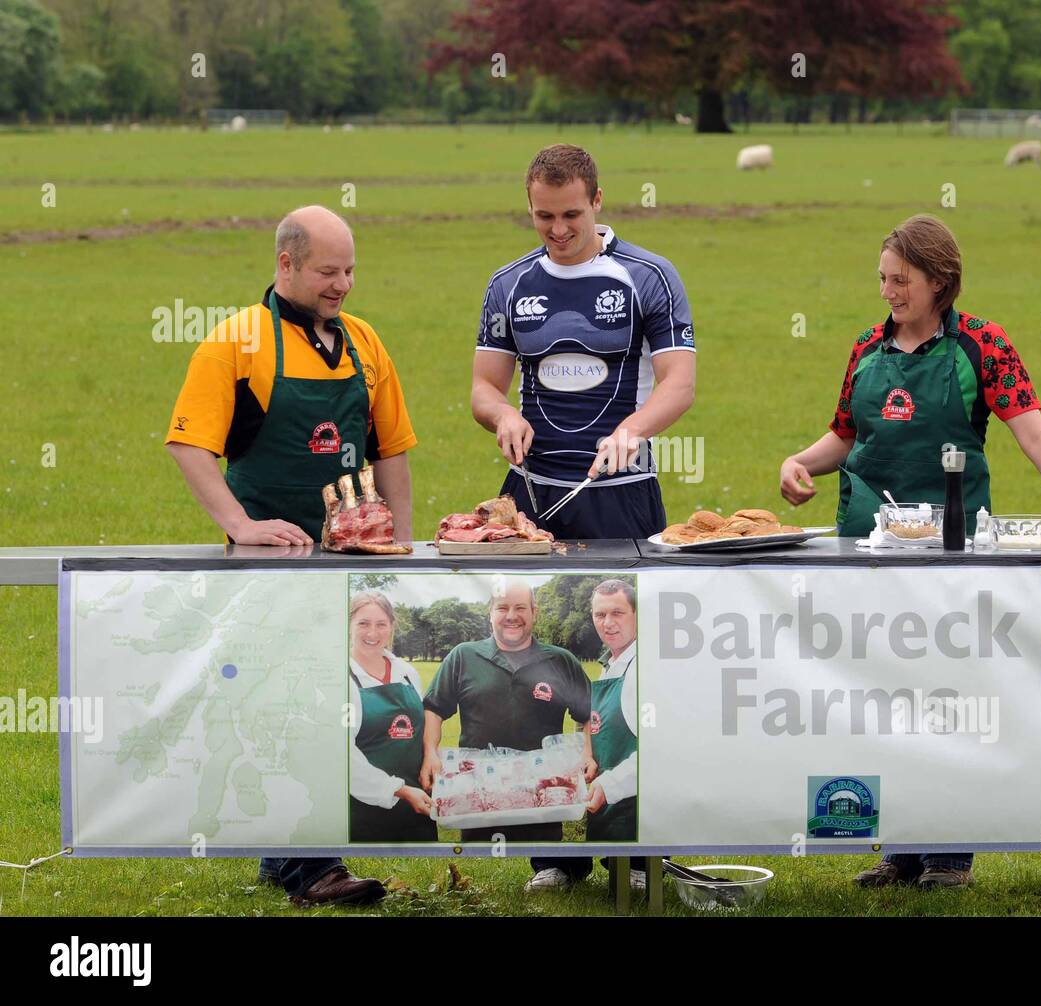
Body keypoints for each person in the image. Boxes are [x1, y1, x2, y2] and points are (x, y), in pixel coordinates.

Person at [778, 214, 1041, 890]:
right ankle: (899, 848)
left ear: (940, 282)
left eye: (902, 281)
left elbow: (1032, 432)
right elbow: (843, 436)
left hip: (953, 556)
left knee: (945, 702)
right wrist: (798, 463)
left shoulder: (982, 345)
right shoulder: (865, 347)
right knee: (877, 699)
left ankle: (950, 852)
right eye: (883, 279)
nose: (888, 292)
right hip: (865, 551)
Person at [165, 204, 418, 905]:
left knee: (342, 703)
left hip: (353, 561)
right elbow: (189, 443)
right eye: (327, 272)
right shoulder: (235, 344)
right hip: (271, 565)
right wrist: (240, 524)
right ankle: (307, 866)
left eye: (350, 271)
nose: (342, 285)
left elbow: (392, 448)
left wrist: (396, 539)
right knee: (285, 703)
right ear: (285, 265)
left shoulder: (365, 342)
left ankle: (297, 859)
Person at [470, 143, 696, 539]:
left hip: (621, 493)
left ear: (597, 200)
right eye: (545, 216)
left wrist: (632, 431)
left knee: (618, 603)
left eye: (572, 214)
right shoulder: (508, 284)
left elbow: (680, 384)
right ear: (529, 208)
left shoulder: (649, 276)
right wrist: (503, 415)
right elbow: (484, 387)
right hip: (528, 494)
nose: (558, 230)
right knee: (525, 604)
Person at [420, 579, 596, 892]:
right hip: (479, 786)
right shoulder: (464, 656)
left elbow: (588, 715)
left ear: (534, 612)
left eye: (520, 608)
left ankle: (556, 868)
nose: (511, 615)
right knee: (476, 861)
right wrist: (431, 753)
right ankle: (472, 878)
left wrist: (585, 752)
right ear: (490, 612)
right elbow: (434, 708)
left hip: (543, 786)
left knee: (547, 851)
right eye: (503, 607)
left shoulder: (560, 660)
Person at [348, 592, 438, 844]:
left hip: (418, 804)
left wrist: (430, 759)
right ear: (349, 626)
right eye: (363, 624)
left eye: (381, 624)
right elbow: (342, 755)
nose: (372, 633)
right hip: (365, 809)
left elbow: (420, 730)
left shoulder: (407, 673)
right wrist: (398, 790)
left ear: (392, 627)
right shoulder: (341, 679)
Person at [584, 579, 643, 886]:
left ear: (636, 614)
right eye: (599, 615)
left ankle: (643, 870)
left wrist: (611, 784)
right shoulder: (610, 663)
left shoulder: (646, 665)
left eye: (617, 613)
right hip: (608, 800)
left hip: (638, 814)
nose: (607, 623)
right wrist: (589, 755)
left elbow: (659, 751)